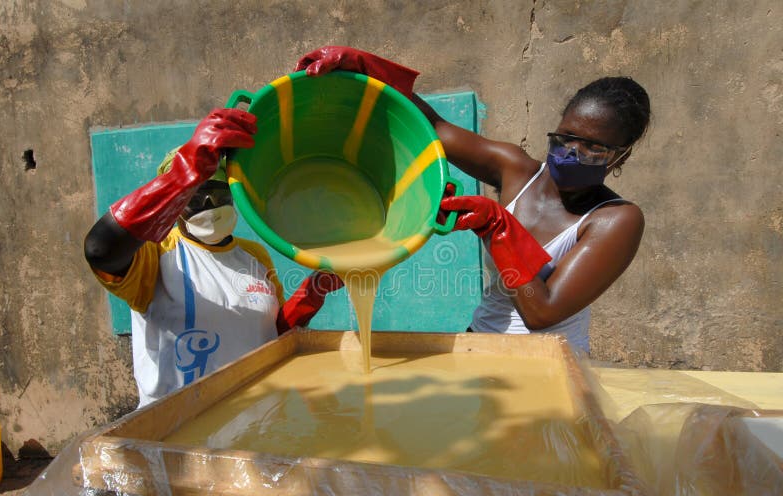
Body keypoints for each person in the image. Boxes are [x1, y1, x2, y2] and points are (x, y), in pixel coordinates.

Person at [295, 47, 650, 353]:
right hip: (481, 343)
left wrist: (498, 228)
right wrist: (367, 68)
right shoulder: (515, 171)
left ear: (620, 157)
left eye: (594, 146)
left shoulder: (615, 220)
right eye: (567, 136)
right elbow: (433, 127)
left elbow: (543, 312)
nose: (572, 151)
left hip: (549, 363)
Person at [84, 108, 342, 407]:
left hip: (255, 420)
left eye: (219, 193)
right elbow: (101, 250)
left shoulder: (253, 255)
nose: (209, 202)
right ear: (176, 203)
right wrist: (185, 172)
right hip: (177, 428)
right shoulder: (156, 253)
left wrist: (313, 292)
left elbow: (271, 333)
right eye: (195, 195)